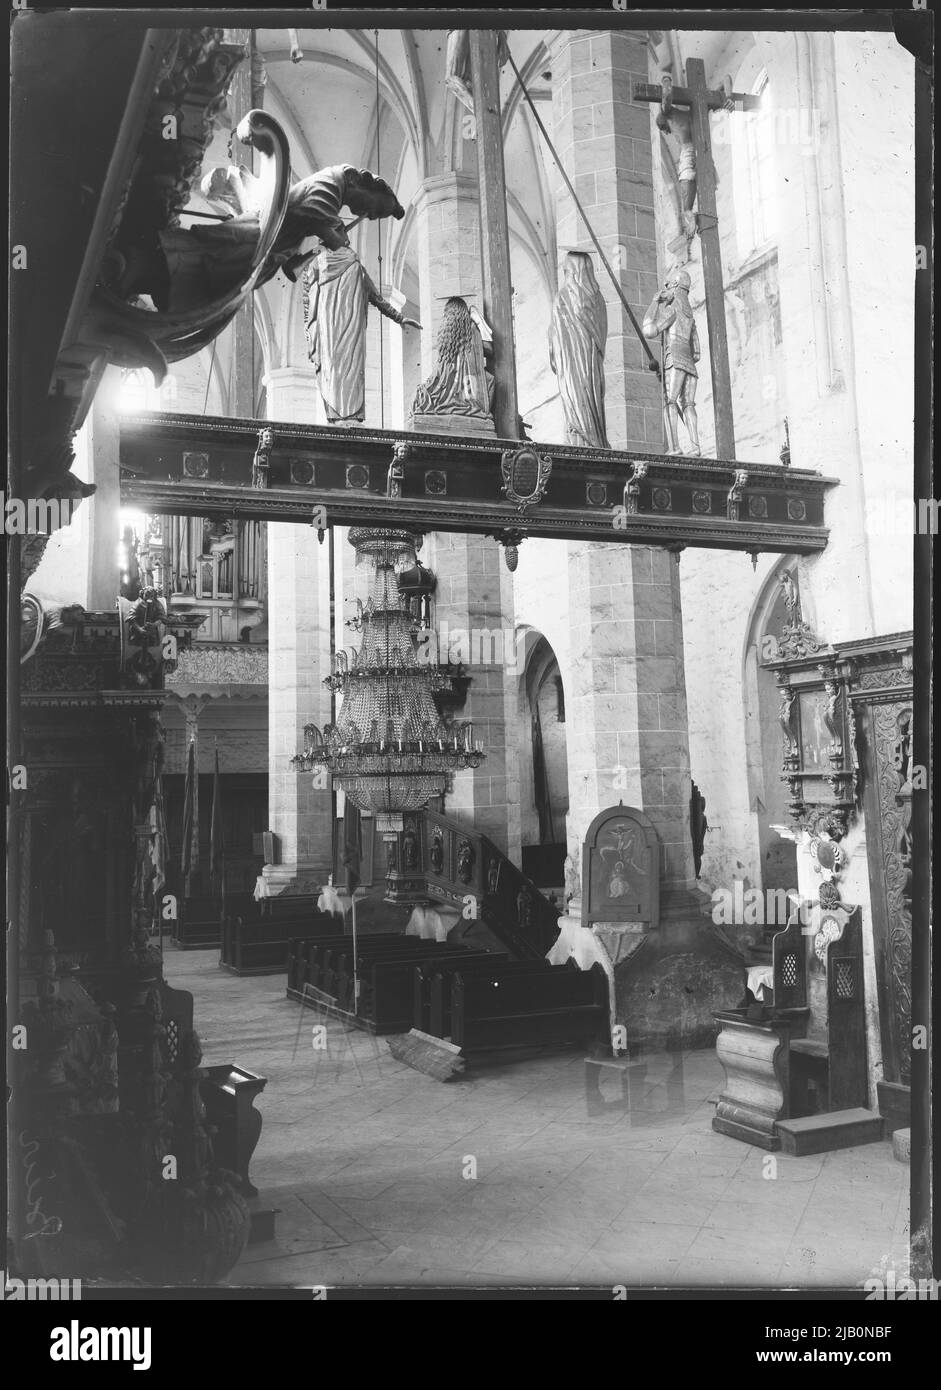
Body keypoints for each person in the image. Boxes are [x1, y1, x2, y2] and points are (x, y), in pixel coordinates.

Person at [303, 246, 421, 423]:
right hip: (343, 333)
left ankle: (343, 417)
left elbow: (308, 303)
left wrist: (399, 318)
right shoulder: (339, 266)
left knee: (337, 374)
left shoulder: (323, 265)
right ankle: (341, 418)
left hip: (335, 335)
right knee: (342, 373)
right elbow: (377, 297)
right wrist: (398, 317)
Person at [548, 251, 610, 450]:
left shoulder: (563, 297)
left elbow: (556, 337)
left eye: (566, 269)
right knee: (592, 401)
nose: (565, 272)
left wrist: (553, 351)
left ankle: (580, 440)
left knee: (575, 399)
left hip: (572, 365)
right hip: (592, 365)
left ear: (573, 271)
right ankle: (595, 439)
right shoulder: (598, 300)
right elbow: (603, 332)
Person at [643, 268, 702, 455]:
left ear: (675, 286)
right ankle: (695, 447)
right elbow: (697, 352)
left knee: (670, 401)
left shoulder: (672, 310)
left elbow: (649, 330)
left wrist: (654, 303)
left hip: (674, 359)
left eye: (667, 285)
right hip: (689, 365)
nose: (665, 289)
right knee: (689, 404)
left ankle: (675, 447)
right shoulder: (689, 315)